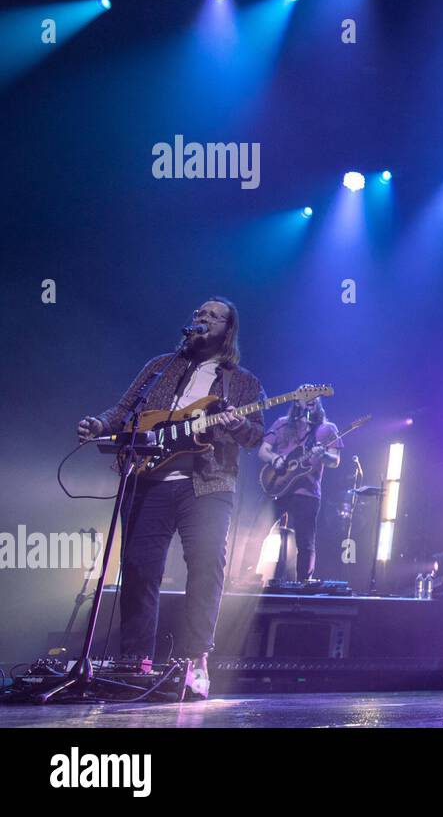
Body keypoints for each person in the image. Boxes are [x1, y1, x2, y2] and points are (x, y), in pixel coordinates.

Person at [77, 297, 265, 698]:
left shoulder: (242, 381)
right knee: (140, 569)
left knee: (205, 569)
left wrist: (238, 423)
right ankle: (134, 663)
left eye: (214, 316)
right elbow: (126, 409)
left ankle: (196, 660)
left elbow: (257, 437)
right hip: (149, 480)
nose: (203, 318)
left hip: (209, 484)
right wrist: (100, 424)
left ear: (227, 330)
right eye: (200, 312)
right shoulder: (161, 366)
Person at [258, 393, 341, 581]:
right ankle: (248, 577)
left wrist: (322, 456)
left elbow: (335, 460)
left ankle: (304, 583)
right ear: (297, 402)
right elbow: (263, 451)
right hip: (277, 486)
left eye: (314, 399)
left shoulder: (328, 429)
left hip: (308, 493)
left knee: (305, 542)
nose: (311, 402)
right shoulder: (282, 423)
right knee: (258, 531)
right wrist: (275, 459)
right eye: (306, 399)